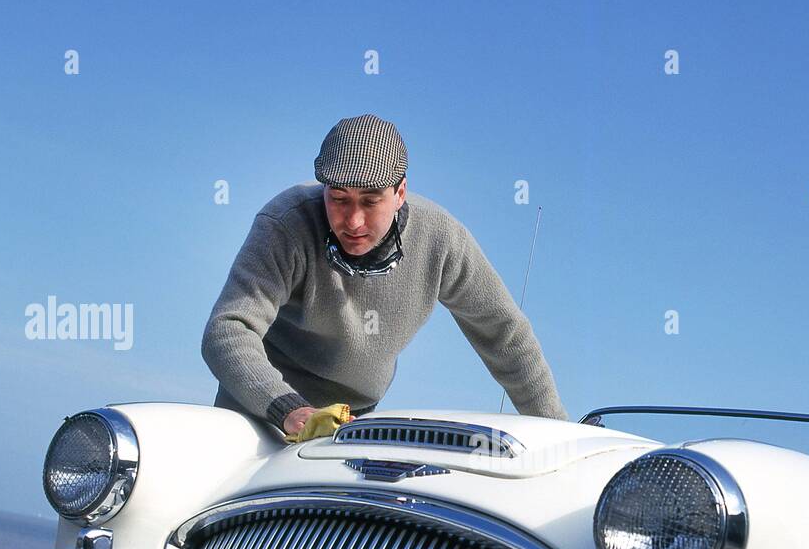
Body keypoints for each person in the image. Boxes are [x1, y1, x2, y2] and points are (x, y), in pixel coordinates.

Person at [201, 114, 567, 438]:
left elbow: (505, 334)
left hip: (349, 424)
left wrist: (561, 436)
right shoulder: (286, 223)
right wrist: (288, 409)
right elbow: (229, 329)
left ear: (400, 192)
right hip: (257, 413)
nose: (354, 221)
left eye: (371, 200)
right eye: (338, 199)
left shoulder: (441, 240)